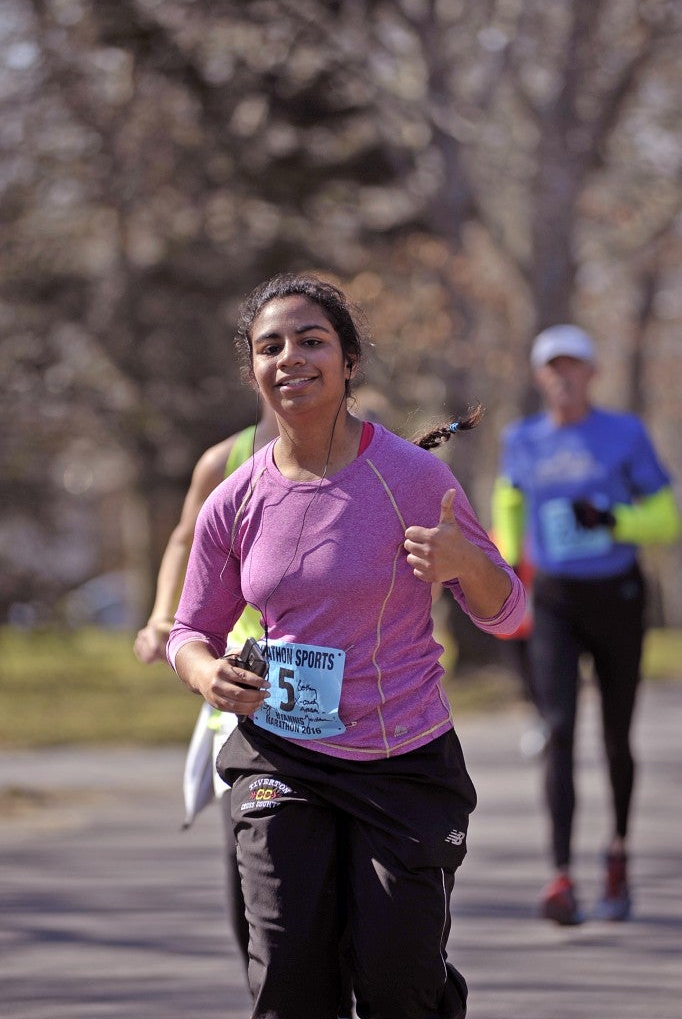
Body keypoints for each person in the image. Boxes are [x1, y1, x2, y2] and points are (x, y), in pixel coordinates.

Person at [167, 273, 526, 1019]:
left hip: (402, 759)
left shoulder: (413, 479)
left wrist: (466, 564)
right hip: (282, 754)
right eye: (270, 346)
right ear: (253, 370)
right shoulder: (236, 499)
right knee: (290, 977)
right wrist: (205, 675)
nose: (290, 358)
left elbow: (508, 614)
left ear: (349, 360)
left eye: (312, 340)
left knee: (398, 987)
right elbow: (190, 630)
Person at [492, 324, 680, 926]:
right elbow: (509, 506)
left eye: (573, 365)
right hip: (555, 599)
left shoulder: (624, 434)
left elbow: (666, 517)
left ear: (592, 373)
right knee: (560, 731)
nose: (564, 377)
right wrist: (504, 573)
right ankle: (562, 876)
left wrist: (613, 520)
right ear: (540, 377)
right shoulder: (522, 439)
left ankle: (618, 853)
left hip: (618, 594)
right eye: (553, 367)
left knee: (616, 735)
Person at [134, 402, 279, 978]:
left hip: (345, 688)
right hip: (247, 686)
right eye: (269, 356)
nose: (289, 366)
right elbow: (184, 539)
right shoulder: (225, 461)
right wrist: (161, 618)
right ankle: (269, 989)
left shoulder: (367, 454)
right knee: (252, 856)